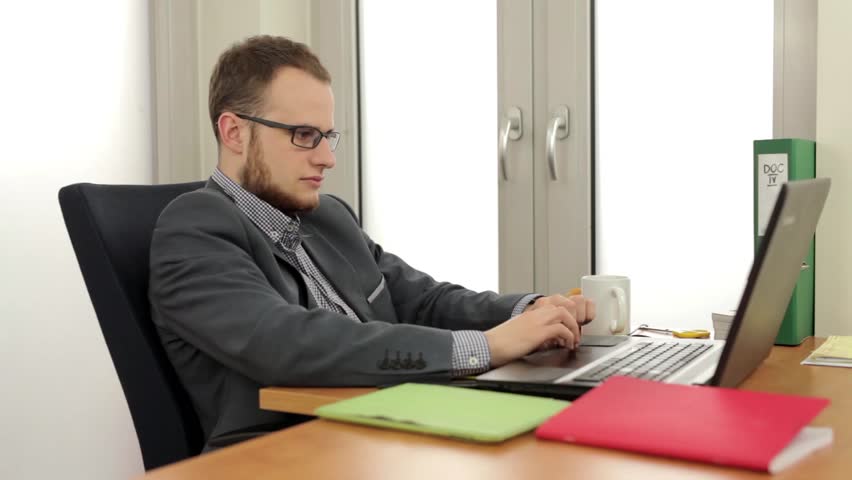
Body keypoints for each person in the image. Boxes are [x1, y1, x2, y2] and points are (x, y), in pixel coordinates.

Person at [149, 35, 595, 451]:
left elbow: (421, 300)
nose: (327, 158)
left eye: (327, 136)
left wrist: (531, 313)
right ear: (234, 132)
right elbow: (289, 344)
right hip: (291, 450)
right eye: (304, 136)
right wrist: (487, 347)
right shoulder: (193, 229)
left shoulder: (328, 216)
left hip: (384, 428)